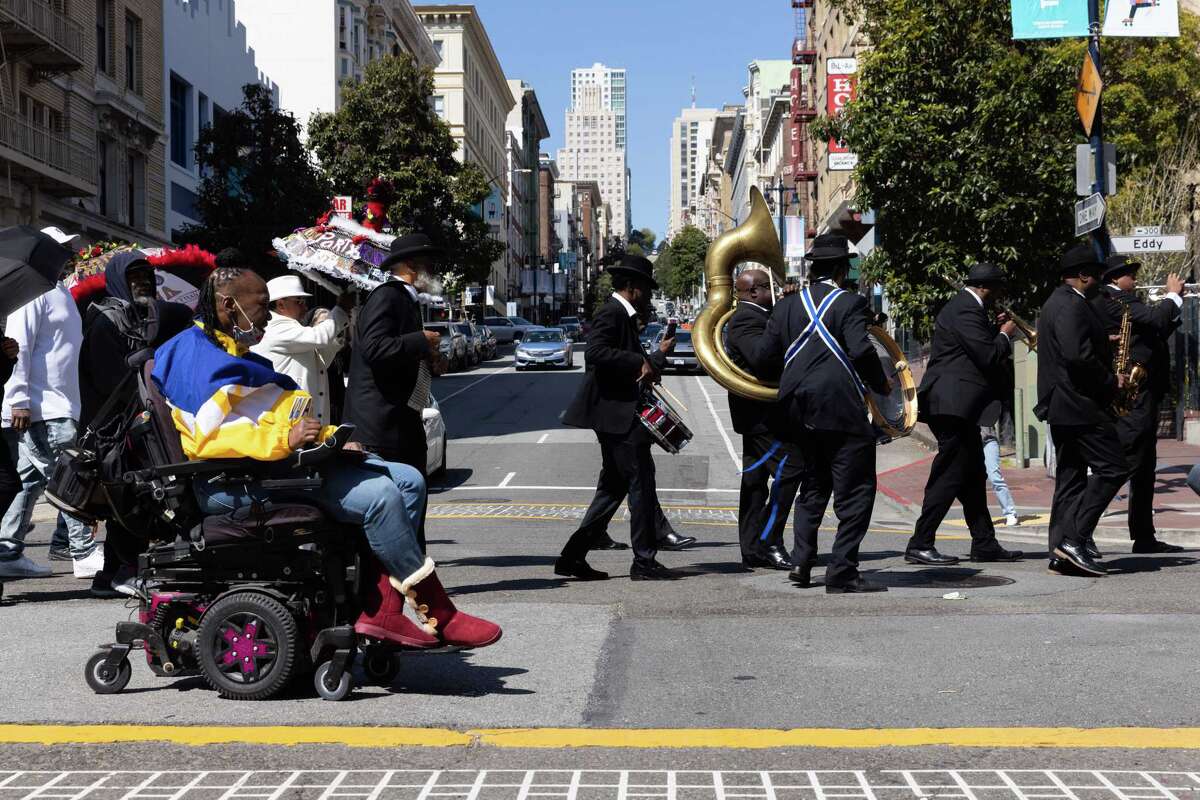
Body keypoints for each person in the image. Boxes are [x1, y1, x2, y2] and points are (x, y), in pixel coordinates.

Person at [152, 266, 500, 649]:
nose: (268, 315)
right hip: (231, 482)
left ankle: (382, 611)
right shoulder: (193, 354)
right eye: (262, 305)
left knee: (409, 480)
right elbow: (207, 438)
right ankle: (438, 611)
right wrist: (287, 437)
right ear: (228, 305)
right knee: (381, 497)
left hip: (269, 465)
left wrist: (331, 437)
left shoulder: (228, 348)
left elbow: (274, 415)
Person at [752, 234, 891, 593]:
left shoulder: (785, 308)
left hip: (795, 411)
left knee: (813, 486)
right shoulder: (850, 303)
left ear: (814, 269)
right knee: (856, 491)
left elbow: (763, 358)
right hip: (840, 410)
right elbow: (861, 351)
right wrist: (883, 387)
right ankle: (842, 572)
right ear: (843, 269)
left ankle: (801, 562)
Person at [556, 254, 680, 581]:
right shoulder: (611, 312)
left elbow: (629, 362)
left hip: (617, 415)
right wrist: (639, 362)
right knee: (640, 482)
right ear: (632, 288)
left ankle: (572, 557)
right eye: (647, 289)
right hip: (617, 416)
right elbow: (595, 352)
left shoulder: (623, 316)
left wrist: (654, 360)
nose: (650, 296)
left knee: (613, 488)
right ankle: (644, 561)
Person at [78, 251, 193, 596]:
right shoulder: (106, 322)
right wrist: (142, 364)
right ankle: (125, 568)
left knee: (130, 498)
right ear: (118, 281)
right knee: (129, 497)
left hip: (141, 423)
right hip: (115, 428)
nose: (143, 282)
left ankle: (111, 573)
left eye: (146, 275)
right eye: (134, 277)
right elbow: (111, 380)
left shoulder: (144, 318)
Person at [904, 263, 1023, 565]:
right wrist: (1006, 335)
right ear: (986, 287)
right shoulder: (965, 309)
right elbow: (987, 355)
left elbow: (974, 349)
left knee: (972, 476)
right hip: (953, 404)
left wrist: (995, 331)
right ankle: (921, 541)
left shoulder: (968, 308)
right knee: (949, 474)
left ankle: (984, 542)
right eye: (999, 289)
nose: (1001, 295)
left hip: (961, 405)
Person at [0, 254, 99, 579]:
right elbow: (20, 348)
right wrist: (18, 401)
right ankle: (83, 551)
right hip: (44, 408)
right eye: (63, 250)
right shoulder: (31, 295)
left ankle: (7, 550)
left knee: (28, 482)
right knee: (66, 479)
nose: (69, 257)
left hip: (61, 404)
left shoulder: (60, 291)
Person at [343, 233, 444, 550]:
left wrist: (427, 357)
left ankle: (414, 582)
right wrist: (421, 341)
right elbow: (375, 349)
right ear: (413, 266)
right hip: (381, 428)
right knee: (394, 517)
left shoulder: (406, 300)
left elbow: (394, 354)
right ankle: (400, 585)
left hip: (401, 423)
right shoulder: (388, 296)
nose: (436, 272)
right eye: (431, 265)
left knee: (411, 516)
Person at [1036, 244, 1132, 576]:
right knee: (1114, 469)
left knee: (1071, 479)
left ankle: (1060, 549)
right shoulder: (1071, 306)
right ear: (1083, 275)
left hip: (1063, 406)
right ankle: (1075, 540)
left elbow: (1073, 347)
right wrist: (1111, 380)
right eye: (1097, 276)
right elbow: (1077, 356)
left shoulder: (1057, 303)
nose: (1100, 282)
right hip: (1079, 406)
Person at [1089, 255, 1184, 554]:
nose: (1136, 280)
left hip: (1145, 390)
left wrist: (1169, 315)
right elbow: (1155, 319)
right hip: (1131, 395)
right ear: (1117, 278)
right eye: (1131, 275)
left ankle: (1143, 535)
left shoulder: (1124, 301)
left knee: (1144, 467)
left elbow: (1154, 331)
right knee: (1123, 463)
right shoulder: (1112, 300)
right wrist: (1172, 295)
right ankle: (1079, 531)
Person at [726, 268, 801, 570]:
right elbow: (761, 358)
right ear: (755, 292)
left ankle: (753, 548)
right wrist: (784, 314)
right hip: (761, 415)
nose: (778, 292)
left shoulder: (760, 317)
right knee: (791, 470)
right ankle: (770, 540)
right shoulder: (746, 319)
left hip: (761, 414)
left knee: (755, 482)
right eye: (772, 288)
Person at [251, 275, 352, 427]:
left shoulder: (291, 328)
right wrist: (340, 310)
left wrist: (336, 340)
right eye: (299, 301)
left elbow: (320, 363)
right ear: (281, 304)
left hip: (300, 420)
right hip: (287, 422)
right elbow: (319, 337)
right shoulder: (275, 327)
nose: (305, 307)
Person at [981, 419, 1019, 527]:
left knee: (994, 477)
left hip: (988, 440)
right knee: (973, 481)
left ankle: (1010, 513)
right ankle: (976, 518)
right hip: (968, 443)